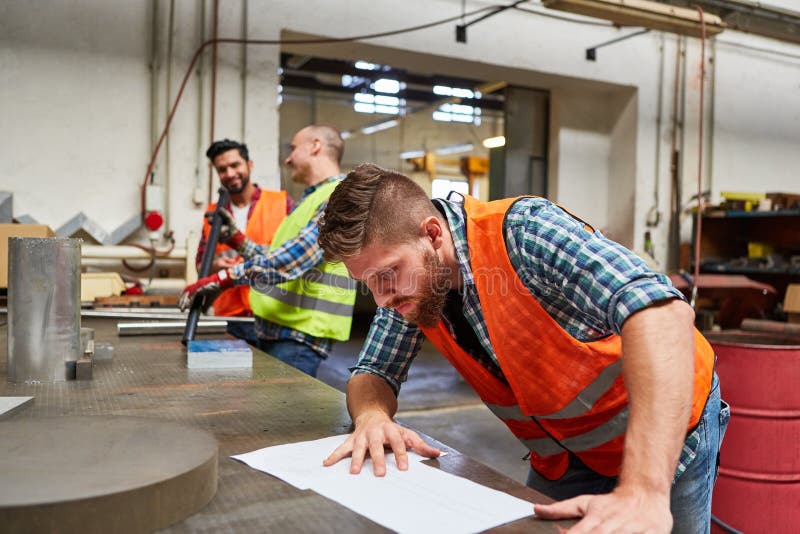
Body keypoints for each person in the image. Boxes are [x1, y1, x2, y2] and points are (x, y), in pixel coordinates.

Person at [316, 163, 729, 533]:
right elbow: (374, 370)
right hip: (567, 456)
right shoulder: (412, 287)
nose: (381, 297)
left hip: (668, 438)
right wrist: (371, 415)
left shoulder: (525, 234)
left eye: (387, 274)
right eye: (368, 281)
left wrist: (644, 490)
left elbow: (662, 315)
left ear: (432, 233)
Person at [179, 126, 357, 377]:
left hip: (299, 334)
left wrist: (223, 278)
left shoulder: (339, 196)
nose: (288, 158)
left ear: (315, 146)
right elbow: (277, 252)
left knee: (284, 414)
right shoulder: (312, 198)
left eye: (293, 149)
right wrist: (239, 241)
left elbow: (293, 259)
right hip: (281, 331)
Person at [196, 139, 294, 347]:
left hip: (274, 316)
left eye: (235, 165)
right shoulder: (212, 214)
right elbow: (200, 265)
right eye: (222, 169)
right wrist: (214, 266)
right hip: (231, 320)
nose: (230, 173)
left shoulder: (281, 203)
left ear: (249, 165)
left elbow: (294, 256)